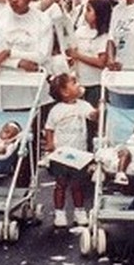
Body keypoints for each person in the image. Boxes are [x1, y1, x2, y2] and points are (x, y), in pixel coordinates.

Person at [44, 73, 97, 228]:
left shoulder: (83, 105)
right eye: (73, 83)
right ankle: (59, 212)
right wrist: (50, 144)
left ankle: (79, 211)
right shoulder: (56, 110)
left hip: (79, 153)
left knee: (77, 183)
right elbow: (49, 128)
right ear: (65, 92)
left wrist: (99, 111)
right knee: (60, 183)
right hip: (60, 154)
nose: (78, 84)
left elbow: (92, 116)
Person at [65, 0, 112, 109]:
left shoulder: (104, 35)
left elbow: (101, 62)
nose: (86, 13)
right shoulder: (80, 31)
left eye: (89, 10)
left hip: (96, 83)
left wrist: (78, 56)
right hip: (80, 82)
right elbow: (74, 50)